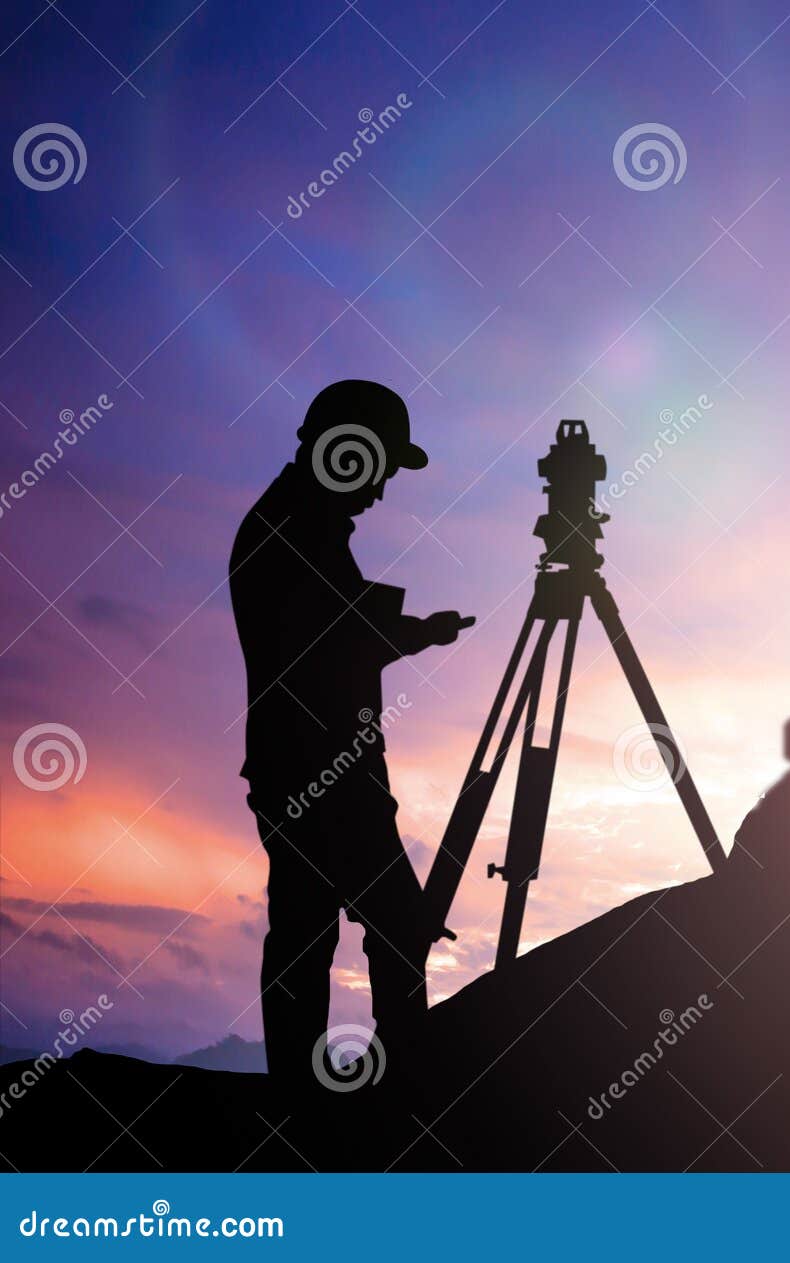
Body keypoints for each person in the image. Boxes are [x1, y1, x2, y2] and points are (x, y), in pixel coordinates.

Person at [229, 380, 473, 1089]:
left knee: (330, 930)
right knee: (373, 927)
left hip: (320, 771)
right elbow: (328, 638)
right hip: (317, 777)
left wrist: (413, 632)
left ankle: (326, 1097)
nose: (382, 489)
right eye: (381, 467)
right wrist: (412, 633)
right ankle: (392, 1094)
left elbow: (336, 627)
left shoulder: (302, 527)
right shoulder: (290, 529)